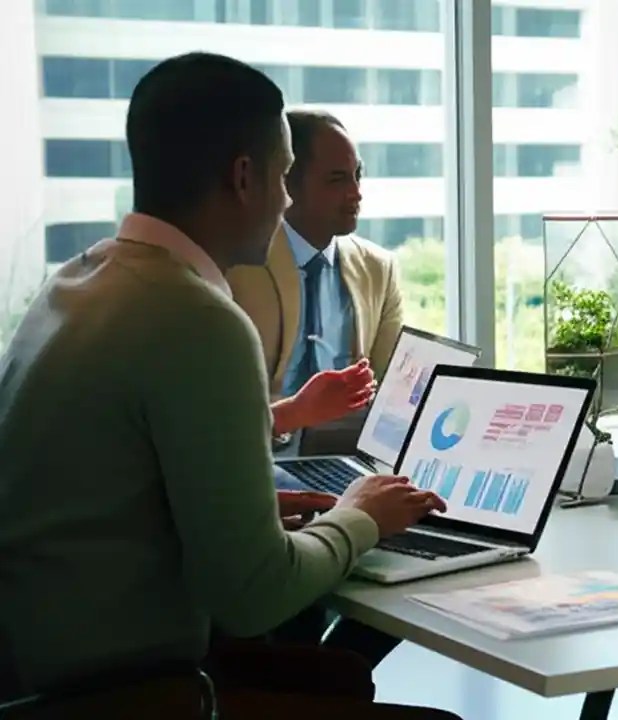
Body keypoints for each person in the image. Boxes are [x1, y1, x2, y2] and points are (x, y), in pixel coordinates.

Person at [0, 52, 459, 719]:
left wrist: (244, 512)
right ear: (245, 178)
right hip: (131, 694)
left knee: (335, 673)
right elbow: (255, 594)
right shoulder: (198, 318)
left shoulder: (74, 284)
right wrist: (363, 514)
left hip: (40, 671)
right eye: (283, 177)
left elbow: (106, 493)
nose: (285, 202)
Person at [227, 109, 404, 399]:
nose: (355, 193)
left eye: (357, 176)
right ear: (287, 183)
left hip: (348, 440)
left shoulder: (378, 269)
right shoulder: (237, 264)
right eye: (337, 180)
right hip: (266, 438)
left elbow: (393, 387)